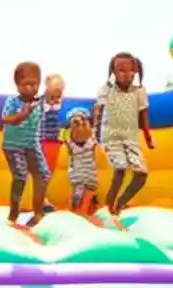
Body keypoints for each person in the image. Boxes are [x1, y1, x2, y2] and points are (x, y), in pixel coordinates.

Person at [94, 52, 155, 227]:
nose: (126, 74)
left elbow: (143, 114)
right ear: (113, 72)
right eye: (121, 70)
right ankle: (108, 207)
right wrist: (95, 130)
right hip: (111, 137)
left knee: (141, 174)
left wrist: (148, 136)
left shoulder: (139, 92)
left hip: (130, 138)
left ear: (135, 72)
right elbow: (98, 109)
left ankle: (120, 204)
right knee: (120, 168)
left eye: (130, 70)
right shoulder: (107, 90)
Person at [1, 61, 50, 226]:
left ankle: (38, 213)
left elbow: (54, 94)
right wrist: (21, 115)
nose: (31, 88)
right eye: (26, 84)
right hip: (13, 146)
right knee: (20, 175)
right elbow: (6, 119)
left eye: (34, 84)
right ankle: (13, 213)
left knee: (43, 175)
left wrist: (53, 86)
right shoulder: (13, 102)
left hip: (31, 145)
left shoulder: (41, 101)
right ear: (17, 86)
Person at [63, 108, 100, 216]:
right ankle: (82, 210)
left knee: (76, 195)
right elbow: (96, 128)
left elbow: (64, 135)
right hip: (88, 175)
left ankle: (73, 210)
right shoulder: (91, 141)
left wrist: (72, 123)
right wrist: (95, 115)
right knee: (86, 195)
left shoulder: (71, 144)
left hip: (78, 175)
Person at [38, 73, 66, 211]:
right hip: (42, 140)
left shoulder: (62, 104)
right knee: (43, 170)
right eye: (55, 89)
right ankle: (40, 198)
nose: (57, 93)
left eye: (60, 90)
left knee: (49, 170)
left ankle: (42, 197)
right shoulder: (40, 102)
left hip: (55, 142)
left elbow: (64, 123)